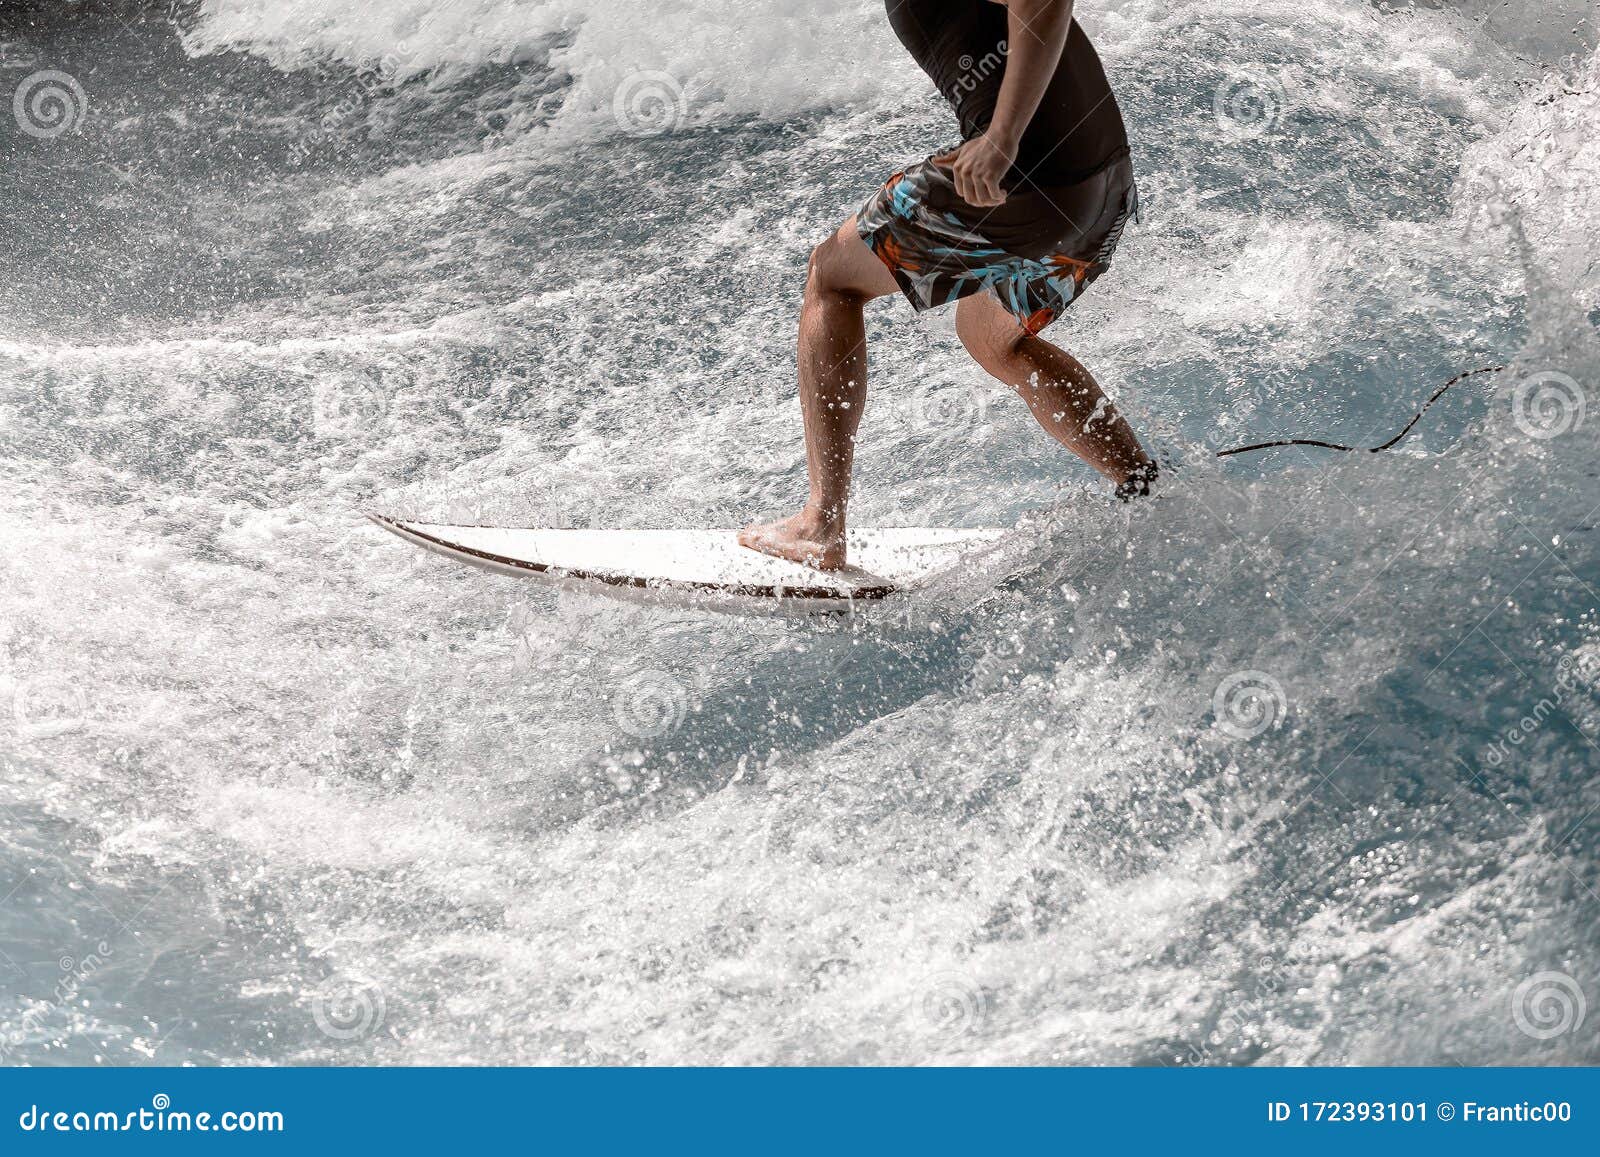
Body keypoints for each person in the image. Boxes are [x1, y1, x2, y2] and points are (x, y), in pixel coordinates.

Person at [739, 0, 1155, 570]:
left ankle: (820, 524)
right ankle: (1147, 491)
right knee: (991, 336)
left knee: (832, 279)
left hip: (1029, 182)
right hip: (1100, 189)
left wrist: (1002, 136)